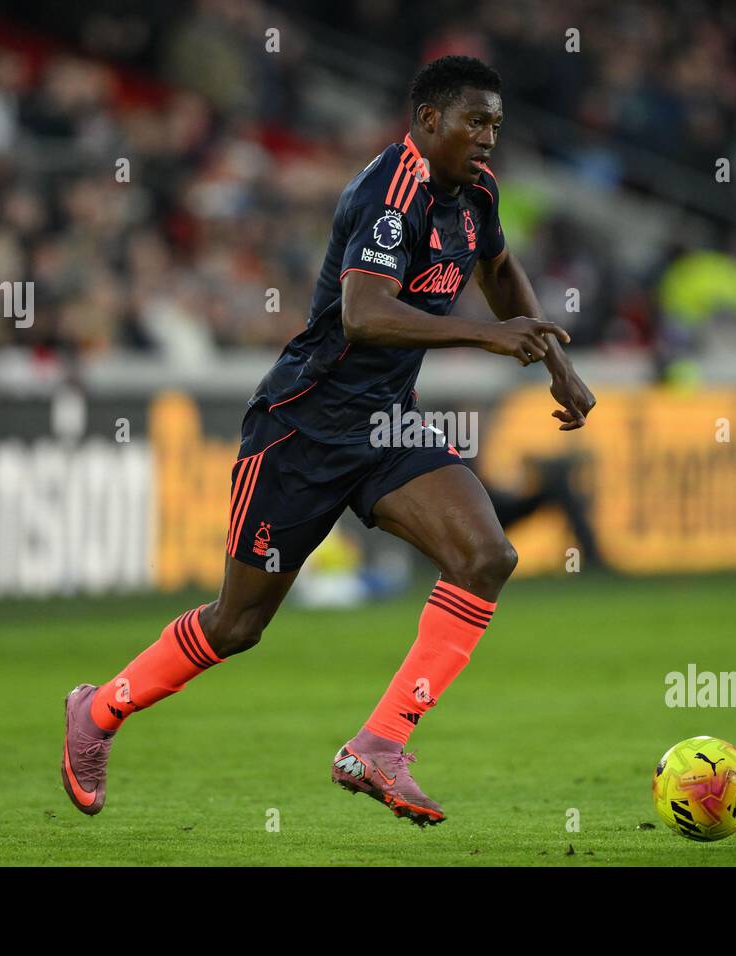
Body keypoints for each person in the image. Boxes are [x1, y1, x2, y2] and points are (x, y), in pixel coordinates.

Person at [62, 55, 596, 826]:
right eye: (475, 122)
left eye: (497, 125)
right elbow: (364, 314)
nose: (488, 138)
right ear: (427, 122)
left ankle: (380, 744)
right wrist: (484, 336)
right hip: (301, 429)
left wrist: (556, 360)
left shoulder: (477, 195)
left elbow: (503, 270)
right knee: (236, 625)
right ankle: (99, 710)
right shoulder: (389, 193)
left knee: (487, 555)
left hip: (386, 424)